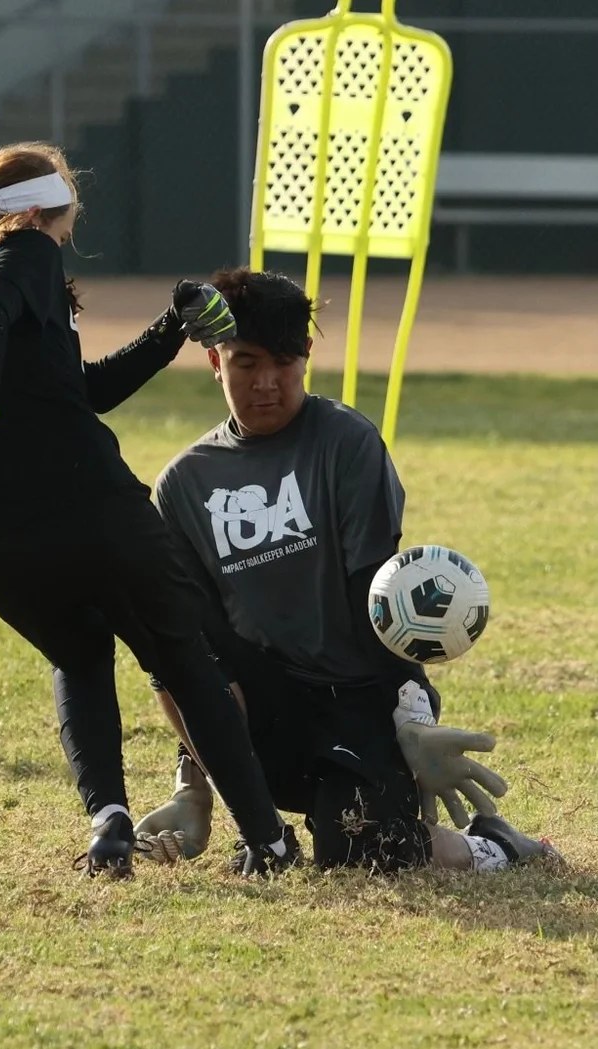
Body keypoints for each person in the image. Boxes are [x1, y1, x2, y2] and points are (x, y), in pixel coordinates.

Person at [0, 144, 299, 879]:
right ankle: (268, 839)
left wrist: (170, 327)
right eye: (62, 231)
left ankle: (109, 826)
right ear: (30, 215)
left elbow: (76, 388)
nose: (60, 247)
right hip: (89, 506)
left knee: (79, 655)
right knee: (184, 658)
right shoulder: (22, 249)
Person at [134, 266, 559, 874]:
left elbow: (380, 601)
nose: (266, 384)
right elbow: (195, 649)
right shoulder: (184, 483)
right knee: (165, 637)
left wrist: (411, 721)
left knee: (363, 853)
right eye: (246, 363)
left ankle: (495, 844)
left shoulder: (347, 443)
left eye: (283, 362)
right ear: (214, 361)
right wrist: (194, 784)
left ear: (306, 355)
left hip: (361, 700)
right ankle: (253, 814)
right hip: (266, 711)